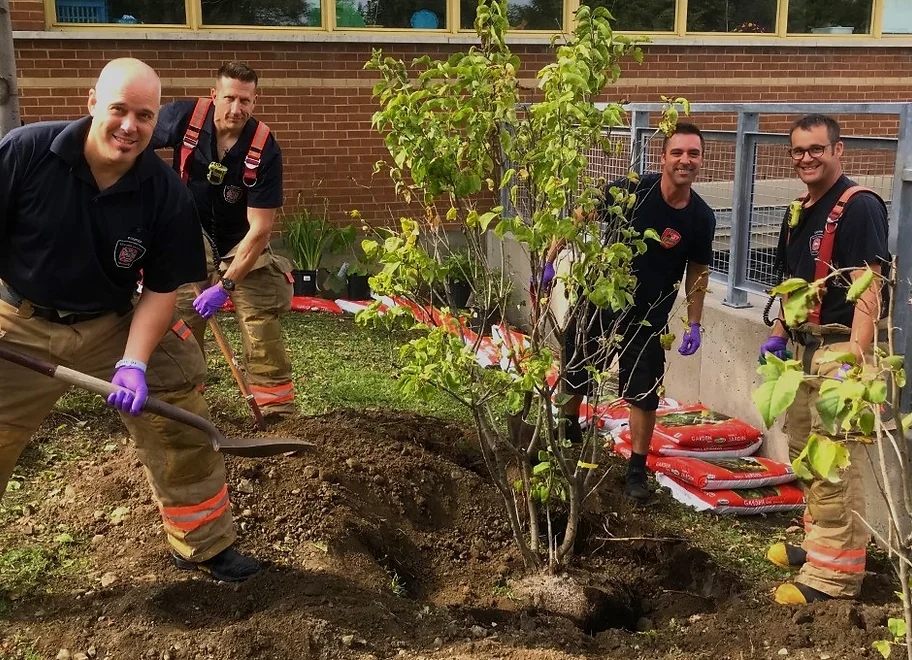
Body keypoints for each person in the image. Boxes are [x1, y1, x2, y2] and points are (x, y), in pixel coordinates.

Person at [0, 58, 260, 582]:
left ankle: (201, 542)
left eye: (144, 115)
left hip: (113, 320)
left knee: (177, 407)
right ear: (93, 102)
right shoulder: (26, 153)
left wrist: (135, 362)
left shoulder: (164, 192)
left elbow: (163, 288)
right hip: (20, 319)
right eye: (119, 109)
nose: (129, 125)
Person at [761, 114, 889, 605]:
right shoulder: (799, 209)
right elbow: (790, 282)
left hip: (838, 349)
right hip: (801, 350)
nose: (806, 158)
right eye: (798, 151)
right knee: (805, 454)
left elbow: (869, 283)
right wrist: (778, 334)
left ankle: (833, 579)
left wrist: (855, 356)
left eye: (816, 149)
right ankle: (818, 548)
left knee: (835, 463)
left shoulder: (858, 208)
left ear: (839, 151)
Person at [558, 122, 716, 503]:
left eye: (693, 153)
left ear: (701, 160)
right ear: (663, 157)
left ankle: (636, 472)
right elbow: (583, 212)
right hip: (599, 300)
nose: (685, 160)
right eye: (677, 152)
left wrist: (694, 322)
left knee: (643, 392)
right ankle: (566, 430)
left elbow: (697, 271)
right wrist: (553, 254)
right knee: (575, 369)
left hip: (648, 317)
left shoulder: (701, 218)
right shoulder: (633, 190)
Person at [151, 62, 296, 423]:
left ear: (255, 100)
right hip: (187, 232)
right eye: (229, 97)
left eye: (245, 100)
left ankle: (275, 412)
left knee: (260, 324)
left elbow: (260, 229)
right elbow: (131, 140)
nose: (236, 109)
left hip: (242, 240)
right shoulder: (182, 118)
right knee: (180, 322)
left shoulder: (264, 147)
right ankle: (182, 408)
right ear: (214, 95)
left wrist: (226, 285)